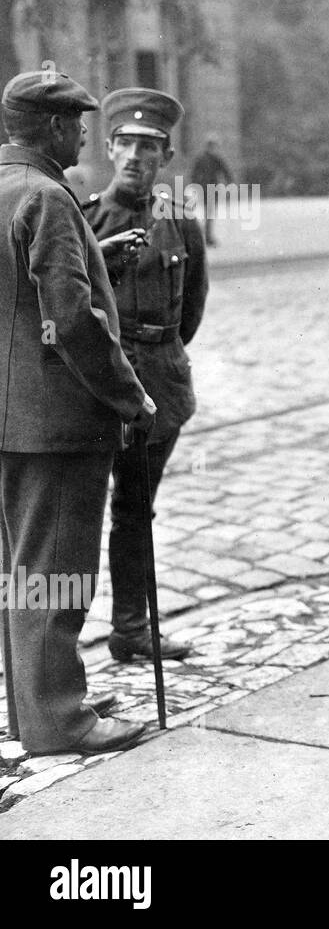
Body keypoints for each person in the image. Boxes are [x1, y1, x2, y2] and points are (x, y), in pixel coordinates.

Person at [1, 71, 155, 755]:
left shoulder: (9, 187)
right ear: (55, 127)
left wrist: (95, 254)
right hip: (58, 423)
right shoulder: (48, 196)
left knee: (23, 570)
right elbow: (70, 320)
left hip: (10, 418)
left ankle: (33, 705)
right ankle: (59, 720)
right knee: (56, 573)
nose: (86, 133)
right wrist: (130, 396)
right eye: (78, 122)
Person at [82, 89, 208, 663]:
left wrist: (159, 354)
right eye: (126, 144)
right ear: (109, 148)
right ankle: (58, 650)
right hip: (98, 389)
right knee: (78, 514)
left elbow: (192, 308)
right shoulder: (84, 219)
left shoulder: (179, 221)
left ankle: (132, 629)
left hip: (160, 383)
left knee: (136, 508)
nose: (135, 156)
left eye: (148, 147)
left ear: (166, 156)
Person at [189, 136, 232, 247]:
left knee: (208, 213)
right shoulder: (211, 159)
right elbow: (194, 174)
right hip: (207, 189)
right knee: (208, 213)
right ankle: (207, 237)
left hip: (208, 189)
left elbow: (225, 172)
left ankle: (206, 235)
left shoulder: (211, 159)